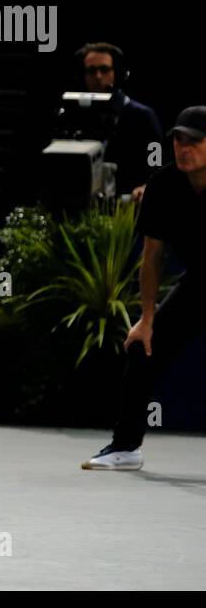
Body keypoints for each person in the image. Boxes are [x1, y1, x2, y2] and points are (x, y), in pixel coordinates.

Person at [83, 107, 206, 470]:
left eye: (195, 142)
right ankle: (126, 447)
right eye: (178, 140)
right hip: (199, 282)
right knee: (142, 348)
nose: (184, 148)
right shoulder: (163, 186)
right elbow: (151, 258)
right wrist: (147, 320)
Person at [76, 43, 161, 201]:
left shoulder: (143, 116)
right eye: (91, 71)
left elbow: (157, 162)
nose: (98, 76)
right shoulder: (75, 116)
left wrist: (147, 185)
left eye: (105, 69)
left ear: (118, 73)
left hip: (128, 205)